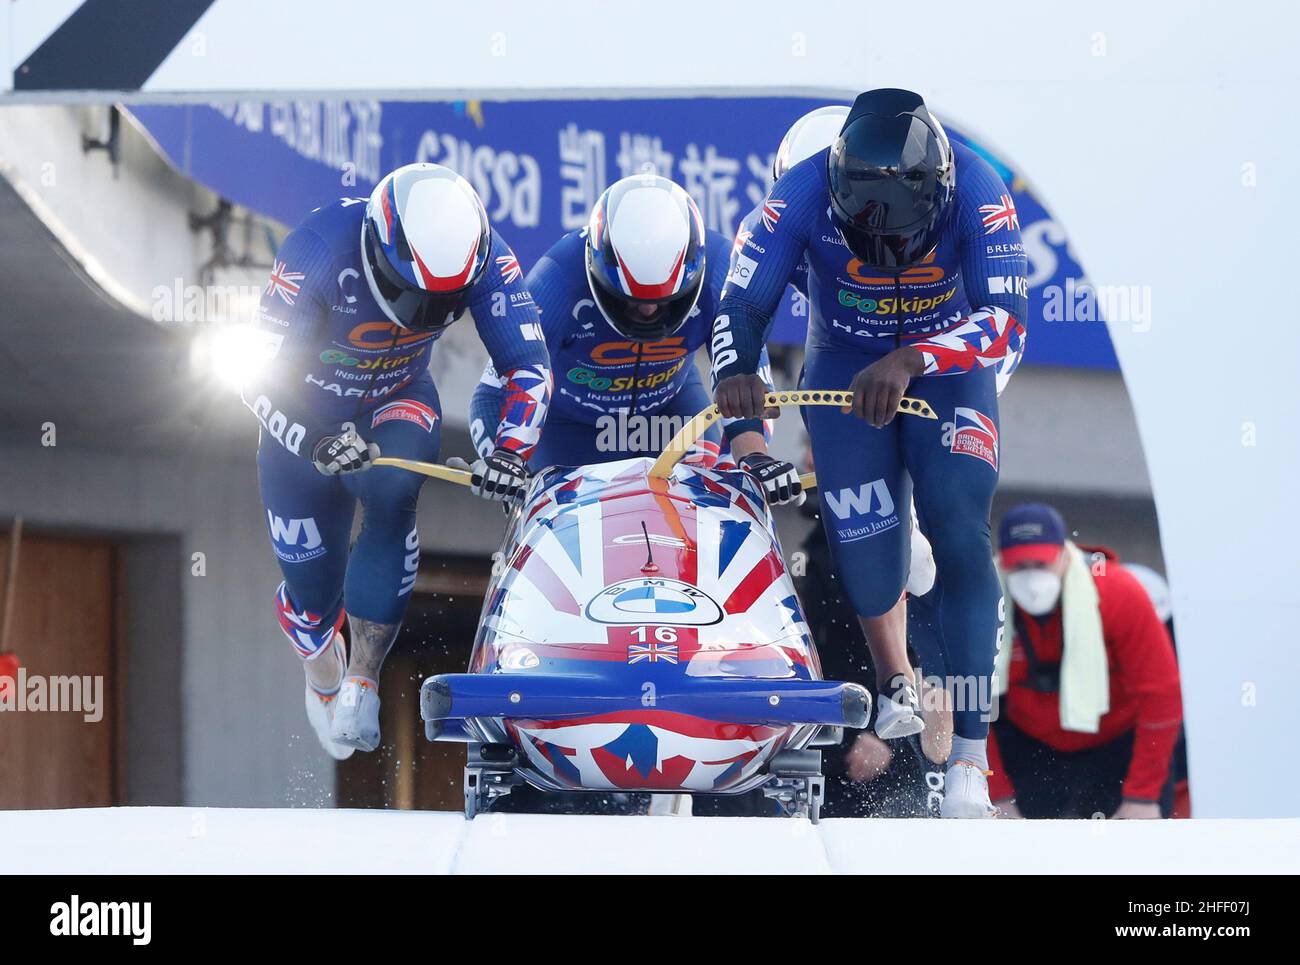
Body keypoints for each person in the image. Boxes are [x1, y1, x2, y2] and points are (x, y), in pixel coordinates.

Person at [711, 88, 1028, 817]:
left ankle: (971, 762)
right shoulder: (799, 194)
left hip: (948, 367)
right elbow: (740, 305)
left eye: (901, 238)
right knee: (864, 546)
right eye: (865, 234)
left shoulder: (980, 191)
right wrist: (736, 374)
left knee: (959, 526)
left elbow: (1006, 322)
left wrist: (916, 357)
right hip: (844, 362)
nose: (884, 248)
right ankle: (896, 678)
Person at [243, 163, 552, 758]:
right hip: (301, 419)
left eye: (446, 302)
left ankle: (363, 681)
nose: (426, 313)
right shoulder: (317, 249)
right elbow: (253, 378)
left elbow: (530, 366)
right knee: (313, 598)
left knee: (392, 494)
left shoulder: (487, 254)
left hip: (397, 399)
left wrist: (511, 452)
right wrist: (312, 441)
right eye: (415, 294)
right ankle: (319, 656)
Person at [468, 174, 800, 506]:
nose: (648, 310)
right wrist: (508, 461)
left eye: (667, 300)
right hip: (569, 429)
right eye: (630, 299)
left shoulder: (721, 270)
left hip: (672, 419)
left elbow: (744, 378)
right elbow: (492, 394)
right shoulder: (555, 280)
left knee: (709, 511)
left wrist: (751, 461)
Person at [988, 504, 1183, 818]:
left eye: (1041, 564)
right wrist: (996, 794)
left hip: (1116, 743)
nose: (1031, 578)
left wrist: (1142, 797)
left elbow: (1161, 695)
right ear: (1002, 565)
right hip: (1030, 746)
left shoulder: (1119, 593)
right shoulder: (987, 602)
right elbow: (970, 705)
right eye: (1019, 566)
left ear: (1065, 557)